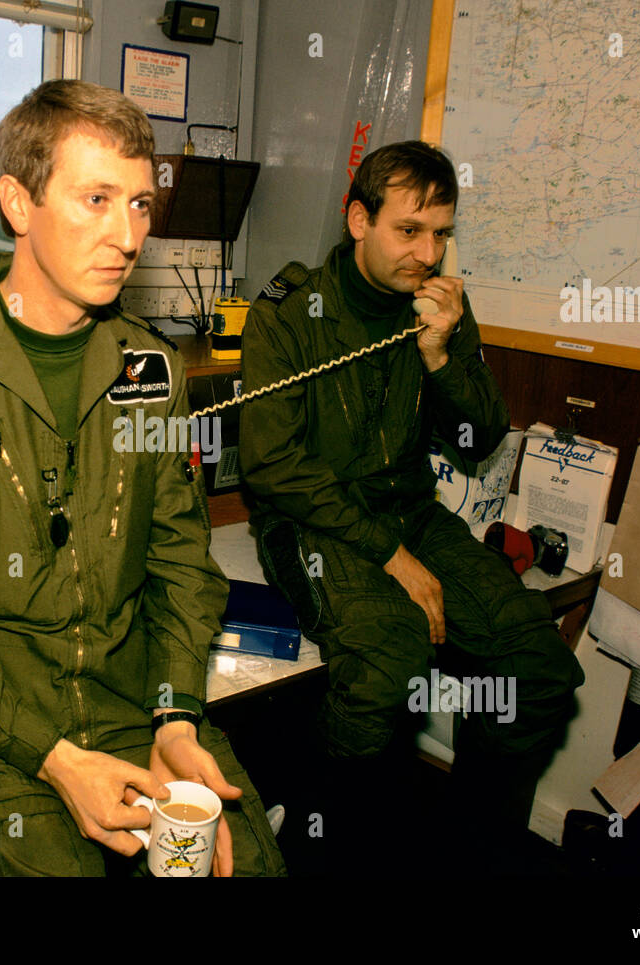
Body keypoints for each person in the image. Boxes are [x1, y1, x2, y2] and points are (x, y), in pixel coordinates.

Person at [0, 79, 284, 877]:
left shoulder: (151, 367)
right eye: (96, 199)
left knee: (245, 866)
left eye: (143, 204)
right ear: (19, 202)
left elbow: (182, 562)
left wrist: (178, 714)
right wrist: (52, 757)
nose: (127, 235)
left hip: (133, 709)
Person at [238, 141, 584, 865]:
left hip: (410, 511)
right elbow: (272, 465)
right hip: (314, 518)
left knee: (538, 667)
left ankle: (467, 844)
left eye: (442, 234)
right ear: (358, 219)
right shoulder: (289, 311)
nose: (429, 253)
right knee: (387, 665)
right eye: (410, 230)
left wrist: (441, 354)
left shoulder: (439, 309)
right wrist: (391, 557)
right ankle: (320, 836)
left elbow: (480, 435)